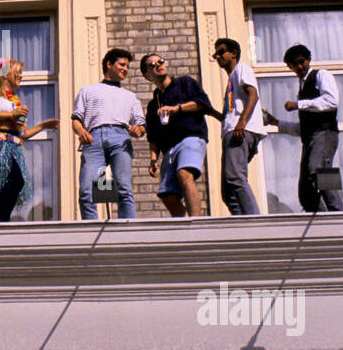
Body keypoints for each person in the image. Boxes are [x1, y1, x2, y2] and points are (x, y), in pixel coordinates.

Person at [261, 44, 343, 213]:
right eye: (294, 64)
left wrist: (299, 104)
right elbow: (303, 128)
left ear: (308, 60)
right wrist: (276, 122)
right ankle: (319, 218)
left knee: (319, 170)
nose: (299, 67)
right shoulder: (303, 85)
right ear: (289, 67)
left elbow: (332, 101)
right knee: (305, 188)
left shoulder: (321, 75)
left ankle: (339, 213)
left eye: (302, 62)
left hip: (325, 133)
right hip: (311, 137)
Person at [140, 53, 218, 218]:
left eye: (160, 61)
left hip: (190, 137)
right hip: (169, 148)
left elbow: (204, 104)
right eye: (152, 65)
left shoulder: (184, 83)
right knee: (168, 195)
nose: (159, 65)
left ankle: (196, 223)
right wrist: (153, 159)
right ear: (147, 75)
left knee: (184, 174)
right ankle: (185, 224)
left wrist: (177, 109)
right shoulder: (154, 104)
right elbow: (152, 136)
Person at [0, 59, 59, 222]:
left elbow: (22, 133)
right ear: (7, 73)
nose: (21, 76)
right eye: (18, 72)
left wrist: (42, 126)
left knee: (12, 184)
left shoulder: (14, 99)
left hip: (13, 145)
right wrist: (11, 115)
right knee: (15, 180)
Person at [72, 48, 146, 219]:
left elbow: (141, 125)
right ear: (109, 64)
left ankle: (128, 234)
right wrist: (81, 131)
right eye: (122, 64)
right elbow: (76, 119)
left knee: (123, 188)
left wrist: (138, 130)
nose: (125, 69)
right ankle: (92, 231)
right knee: (87, 191)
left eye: (127, 66)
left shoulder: (130, 96)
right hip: (93, 139)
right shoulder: (88, 90)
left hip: (120, 139)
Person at [212, 37, 267, 215]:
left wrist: (242, 121)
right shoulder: (231, 79)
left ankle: (255, 224)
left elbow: (253, 94)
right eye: (215, 54)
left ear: (234, 53)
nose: (218, 56)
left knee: (235, 177)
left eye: (221, 52)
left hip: (240, 130)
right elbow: (230, 112)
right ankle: (241, 222)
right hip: (232, 130)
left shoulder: (241, 69)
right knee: (227, 191)